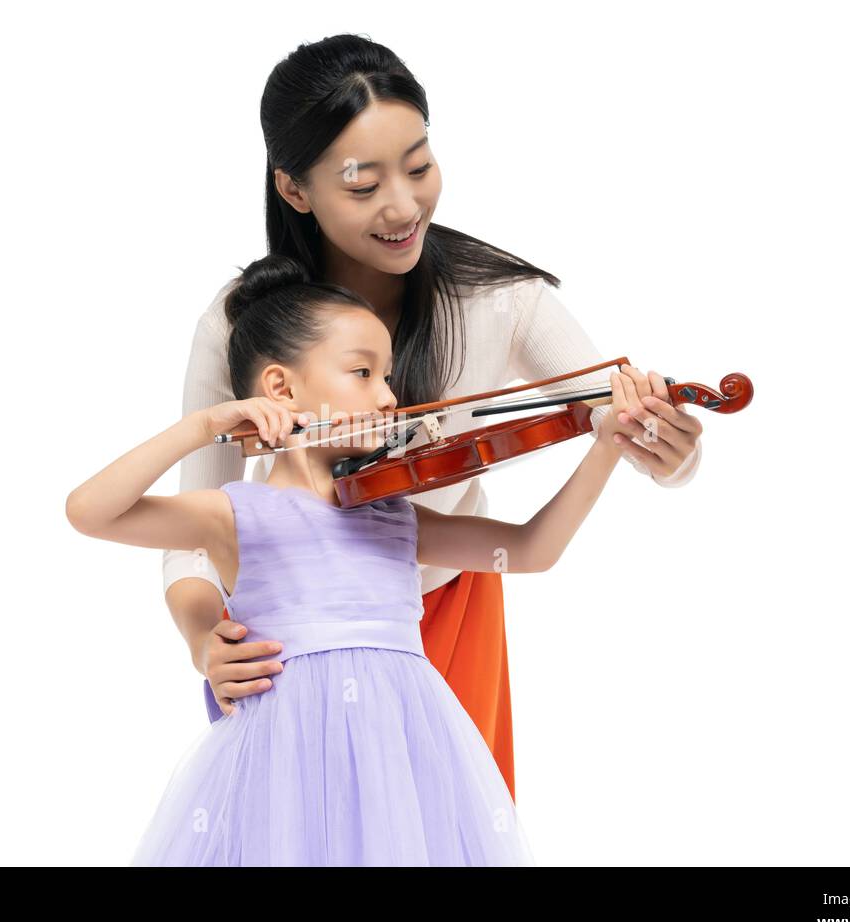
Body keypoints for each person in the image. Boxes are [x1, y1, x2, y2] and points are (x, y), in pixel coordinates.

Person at [164, 34, 706, 805]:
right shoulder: (240, 323)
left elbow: (613, 411)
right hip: (294, 630)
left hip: (447, 605)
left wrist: (665, 446)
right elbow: (190, 532)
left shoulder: (498, 298)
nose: (404, 205)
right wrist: (201, 638)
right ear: (293, 189)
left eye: (419, 166)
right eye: (363, 185)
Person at [66, 253, 637, 865]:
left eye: (387, 376)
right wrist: (203, 427)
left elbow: (530, 549)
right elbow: (90, 511)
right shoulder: (236, 515)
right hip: (283, 759)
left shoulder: (393, 516)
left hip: (403, 751)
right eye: (363, 373)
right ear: (282, 389)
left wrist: (608, 444)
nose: (390, 396)